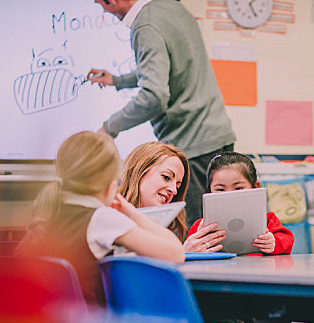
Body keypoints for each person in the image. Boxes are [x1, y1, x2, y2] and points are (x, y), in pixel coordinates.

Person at [88, 0, 236, 226]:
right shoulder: (172, 7)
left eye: (101, 4)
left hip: (191, 143)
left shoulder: (145, 26)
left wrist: (109, 128)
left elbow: (154, 96)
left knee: (195, 235)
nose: (104, 11)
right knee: (220, 230)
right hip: (218, 136)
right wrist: (118, 81)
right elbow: (169, 65)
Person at [16, 131, 185, 306]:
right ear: (111, 184)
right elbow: (176, 253)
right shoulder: (102, 218)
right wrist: (131, 212)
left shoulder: (53, 210)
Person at [185, 151, 300, 323]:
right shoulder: (201, 227)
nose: (230, 195)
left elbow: (287, 240)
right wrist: (194, 250)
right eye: (220, 190)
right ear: (208, 192)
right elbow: (188, 256)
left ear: (255, 188)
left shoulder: (267, 220)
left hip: (264, 305)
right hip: (222, 308)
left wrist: (273, 242)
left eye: (239, 188)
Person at [118, 141, 227, 250]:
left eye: (177, 186)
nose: (174, 191)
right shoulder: (110, 217)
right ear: (139, 170)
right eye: (166, 177)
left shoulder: (164, 232)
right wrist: (185, 255)